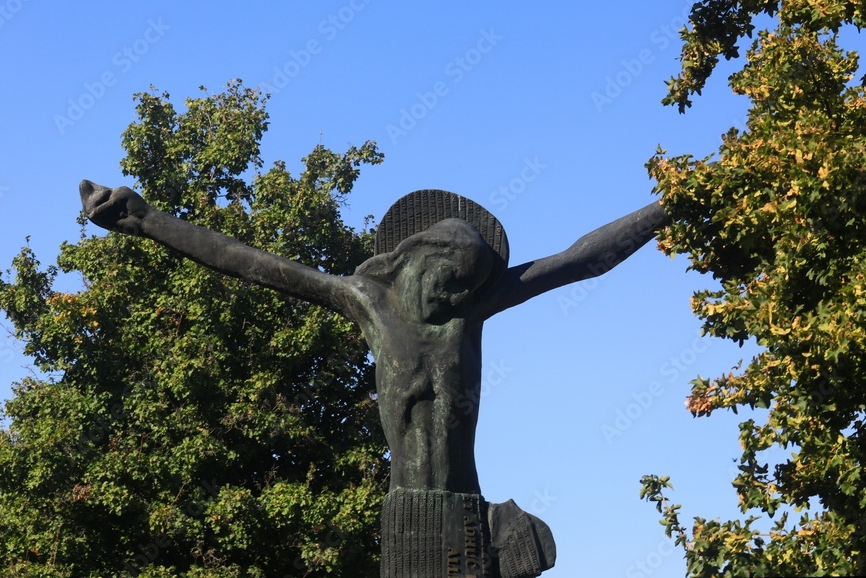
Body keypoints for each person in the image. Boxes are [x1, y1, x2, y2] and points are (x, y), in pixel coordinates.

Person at [79, 180, 669, 577]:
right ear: (413, 258)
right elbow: (245, 260)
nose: (456, 293)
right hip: (408, 516)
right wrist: (142, 217)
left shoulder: (472, 312)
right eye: (449, 278)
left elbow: (584, 258)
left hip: (468, 508)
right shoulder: (367, 301)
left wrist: (672, 205)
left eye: (468, 285)